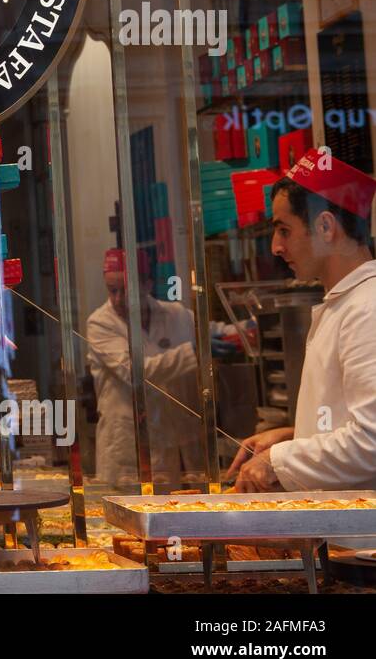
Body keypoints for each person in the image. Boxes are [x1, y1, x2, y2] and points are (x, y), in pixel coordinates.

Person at [230, 150, 376, 492]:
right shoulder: (343, 303)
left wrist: (279, 461)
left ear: (325, 226)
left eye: (283, 230)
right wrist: (294, 437)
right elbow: (350, 421)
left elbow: (371, 442)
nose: (276, 246)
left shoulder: (367, 308)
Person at [85, 248, 239, 484]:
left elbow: (215, 331)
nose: (117, 299)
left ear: (147, 285)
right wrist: (194, 353)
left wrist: (245, 330)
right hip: (128, 449)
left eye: (125, 290)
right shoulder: (100, 324)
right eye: (112, 290)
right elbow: (136, 372)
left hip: (178, 448)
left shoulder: (175, 314)